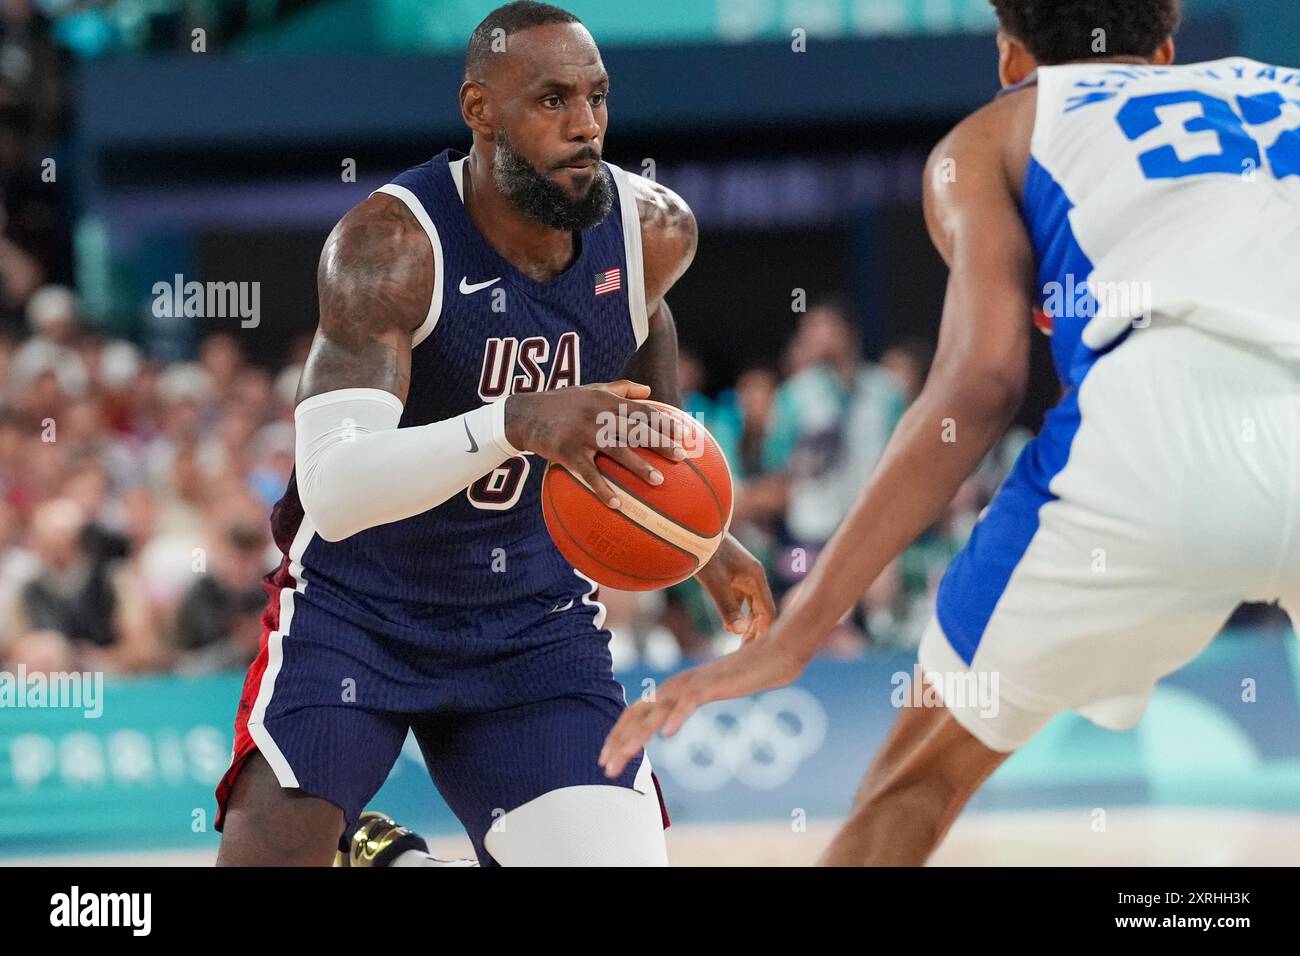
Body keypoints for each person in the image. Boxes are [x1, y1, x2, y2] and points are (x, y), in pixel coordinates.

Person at [600, 0, 1300, 865]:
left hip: (1150, 443)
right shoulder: (1285, 89)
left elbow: (981, 384)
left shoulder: (999, 131)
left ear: (1010, 60)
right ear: (1164, 52)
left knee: (912, 789)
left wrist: (799, 632)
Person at [214, 1, 773, 868]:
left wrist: (700, 538)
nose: (585, 125)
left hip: (531, 622)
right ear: (479, 110)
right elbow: (333, 488)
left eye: (596, 97)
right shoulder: (390, 247)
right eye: (552, 100)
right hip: (359, 609)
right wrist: (514, 421)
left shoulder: (652, 233)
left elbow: (642, 315)